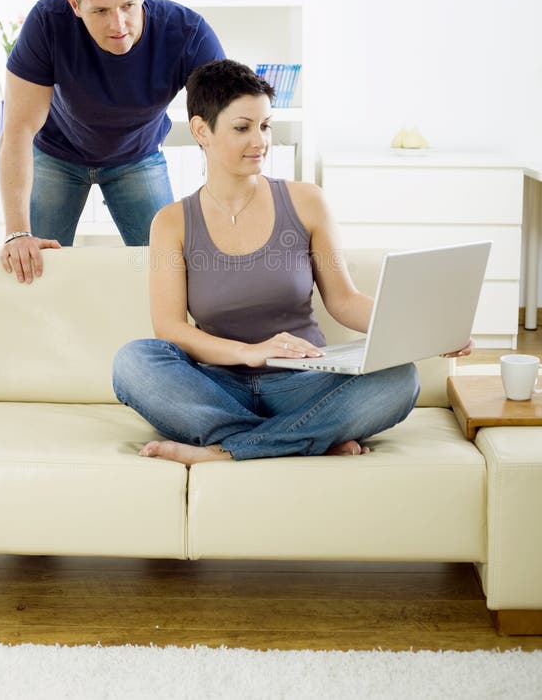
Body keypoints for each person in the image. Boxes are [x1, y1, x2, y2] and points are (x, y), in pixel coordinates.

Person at [112, 59, 472, 464]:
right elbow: (170, 328)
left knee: (398, 378)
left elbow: (345, 301)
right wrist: (249, 352)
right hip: (216, 385)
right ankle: (309, 437)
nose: (260, 141)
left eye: (265, 126)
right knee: (133, 361)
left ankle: (227, 449)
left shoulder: (306, 201)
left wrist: (432, 329)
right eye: (242, 127)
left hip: (304, 383)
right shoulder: (172, 222)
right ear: (201, 131)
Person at [0, 0, 225, 284]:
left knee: (169, 270)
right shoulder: (47, 22)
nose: (118, 25)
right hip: (56, 154)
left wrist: (228, 220)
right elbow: (17, 129)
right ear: (75, 6)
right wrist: (16, 233)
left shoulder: (188, 33)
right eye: (100, 10)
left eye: (128, 6)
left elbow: (222, 128)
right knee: (33, 270)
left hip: (137, 157)